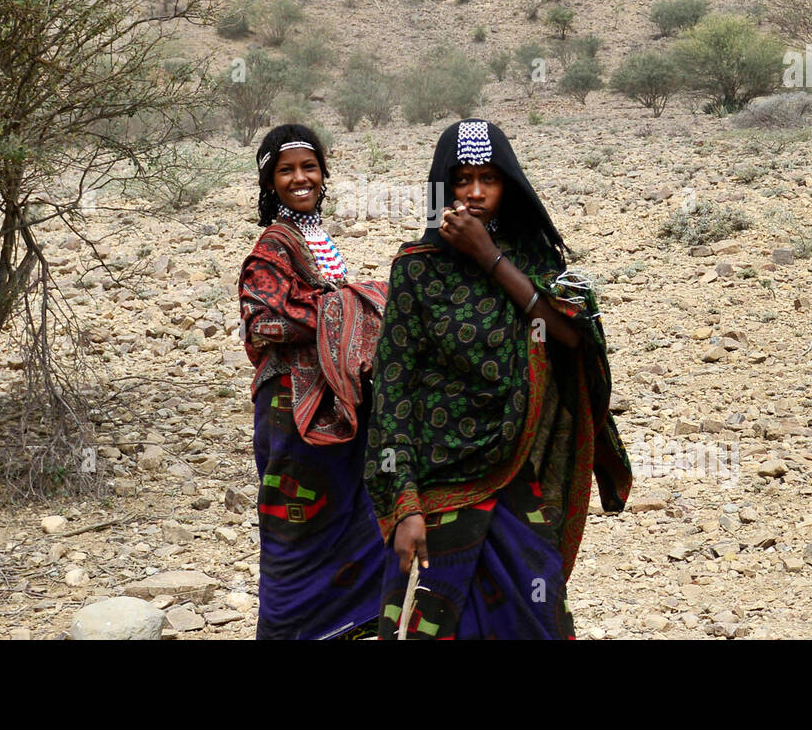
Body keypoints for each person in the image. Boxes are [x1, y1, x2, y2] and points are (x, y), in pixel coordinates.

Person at [364, 118, 632, 639]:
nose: (476, 192)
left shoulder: (532, 259)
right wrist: (405, 503)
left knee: (535, 609)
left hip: (519, 473)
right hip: (441, 482)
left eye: (489, 178)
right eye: (462, 179)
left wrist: (489, 257)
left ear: (508, 184)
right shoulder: (417, 270)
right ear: (443, 187)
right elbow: (392, 392)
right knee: (441, 621)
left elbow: (574, 336)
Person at [237, 124, 387, 639]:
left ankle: (342, 622)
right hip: (291, 409)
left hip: (333, 400)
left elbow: (321, 305)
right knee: (294, 526)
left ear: (324, 174)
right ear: (268, 181)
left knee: (347, 511)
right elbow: (263, 320)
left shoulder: (314, 236)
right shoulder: (272, 247)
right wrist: (353, 303)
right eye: (286, 170)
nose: (300, 178)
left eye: (309, 167)